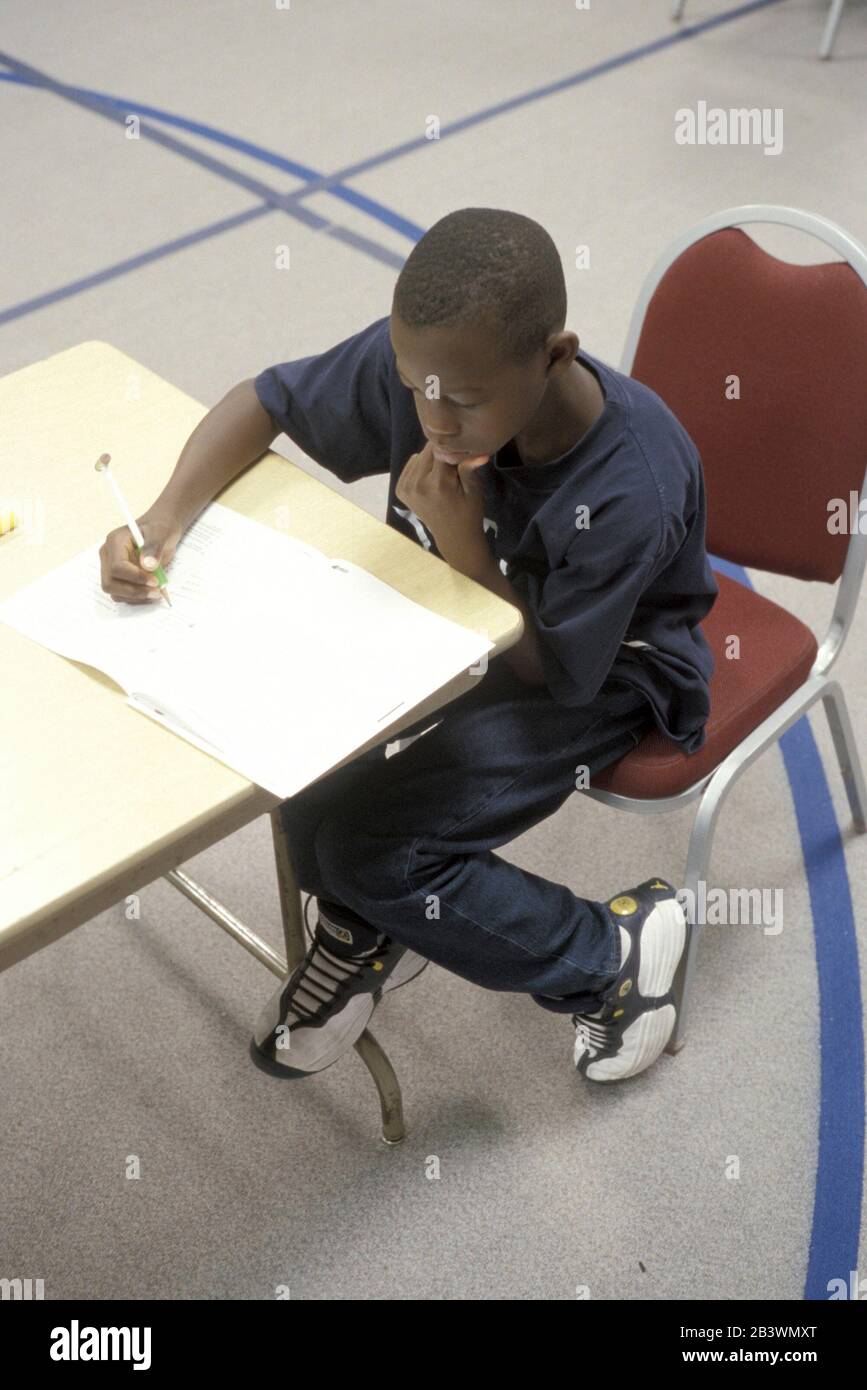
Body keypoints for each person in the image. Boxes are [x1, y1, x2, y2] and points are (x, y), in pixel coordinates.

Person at [99, 207, 718, 1083]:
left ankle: (608, 955)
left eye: (461, 402)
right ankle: (367, 928)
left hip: (604, 676)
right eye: (410, 384)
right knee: (296, 754)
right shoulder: (437, 369)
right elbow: (264, 400)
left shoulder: (630, 487)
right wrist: (160, 522)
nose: (431, 418)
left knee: (370, 849)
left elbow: (557, 675)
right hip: (454, 631)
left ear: (554, 356)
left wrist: (463, 541)